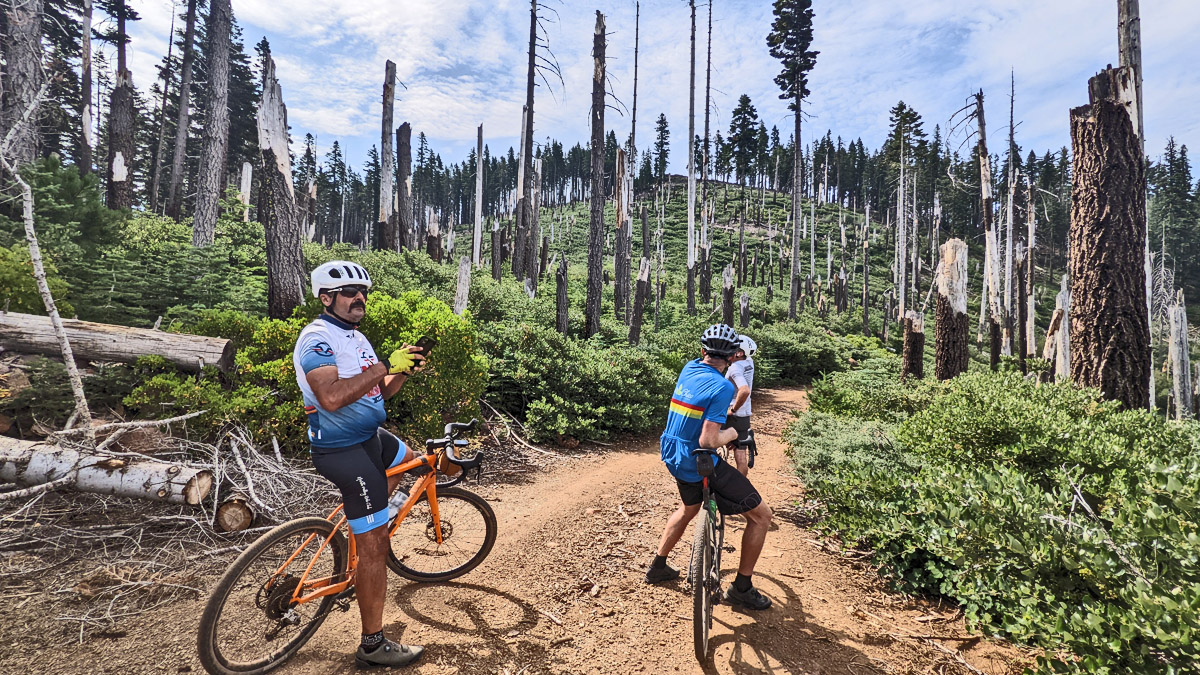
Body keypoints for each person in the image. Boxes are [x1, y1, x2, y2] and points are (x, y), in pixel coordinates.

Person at [292, 260, 427, 669]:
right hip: (340, 450)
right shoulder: (316, 338)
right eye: (349, 292)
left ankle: (366, 524)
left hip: (371, 440)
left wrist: (401, 372)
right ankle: (372, 644)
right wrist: (384, 365)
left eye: (362, 292)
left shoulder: (356, 337)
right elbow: (331, 398)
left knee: (415, 465)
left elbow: (376, 394)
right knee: (375, 545)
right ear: (326, 298)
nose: (358, 298)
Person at [645, 324, 774, 611]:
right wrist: (732, 435)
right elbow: (708, 439)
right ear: (732, 358)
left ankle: (659, 565)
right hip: (697, 460)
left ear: (702, 352)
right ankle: (741, 588)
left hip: (672, 454)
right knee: (762, 516)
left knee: (689, 508)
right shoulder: (722, 386)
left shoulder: (689, 369)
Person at [723, 336, 757, 476]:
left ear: (740, 353)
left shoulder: (734, 368)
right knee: (741, 457)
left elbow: (744, 390)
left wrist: (732, 409)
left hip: (732, 415)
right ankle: (741, 487)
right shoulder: (749, 362)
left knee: (716, 446)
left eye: (733, 348)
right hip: (745, 415)